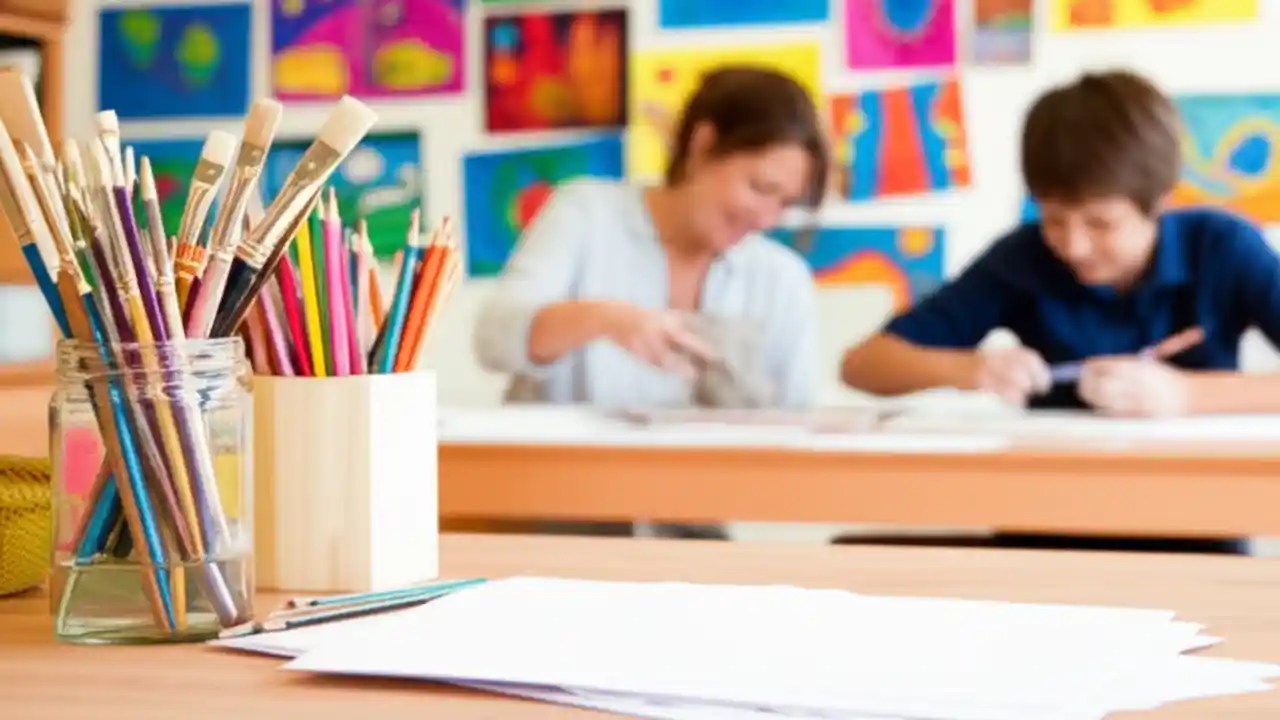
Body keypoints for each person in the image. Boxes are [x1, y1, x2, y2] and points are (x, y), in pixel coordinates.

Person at [838, 69, 1280, 554]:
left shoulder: (1223, 246)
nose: (1074, 245)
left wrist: (1185, 395)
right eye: (1053, 219)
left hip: (1197, 528)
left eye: (1101, 223)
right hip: (1048, 528)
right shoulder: (1023, 258)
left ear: (1160, 201)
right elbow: (864, 364)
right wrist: (972, 369)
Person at [472, 67, 829, 539]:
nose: (766, 217)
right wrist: (603, 319)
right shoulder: (586, 213)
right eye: (760, 188)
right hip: (553, 514)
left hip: (691, 528)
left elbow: (802, 422)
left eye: (785, 203)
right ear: (702, 146)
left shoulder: (781, 278)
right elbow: (493, 339)